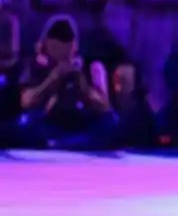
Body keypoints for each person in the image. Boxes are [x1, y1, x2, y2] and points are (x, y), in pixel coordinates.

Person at [17, 16, 116, 149]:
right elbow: (26, 102)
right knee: (25, 123)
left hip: (83, 125)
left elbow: (104, 106)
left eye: (68, 40)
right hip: (49, 126)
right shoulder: (36, 66)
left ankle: (74, 144)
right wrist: (52, 80)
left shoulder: (92, 67)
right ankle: (56, 144)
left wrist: (82, 87)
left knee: (110, 122)